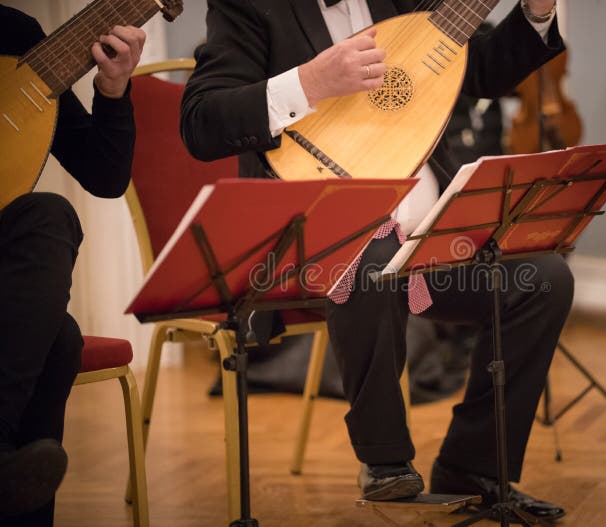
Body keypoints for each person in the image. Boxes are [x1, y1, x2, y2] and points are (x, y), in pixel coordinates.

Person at [181, 0, 572, 521]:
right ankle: (385, 463)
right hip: (312, 240)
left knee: (543, 279)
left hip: (431, 232)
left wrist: (537, 13)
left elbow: (479, 70)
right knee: (371, 255)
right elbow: (202, 122)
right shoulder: (253, 6)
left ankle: (472, 465)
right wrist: (309, 82)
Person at [0, 6, 145, 526]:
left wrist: (113, 88)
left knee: (48, 215)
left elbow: (104, 174)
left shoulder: (13, 34)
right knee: (57, 341)